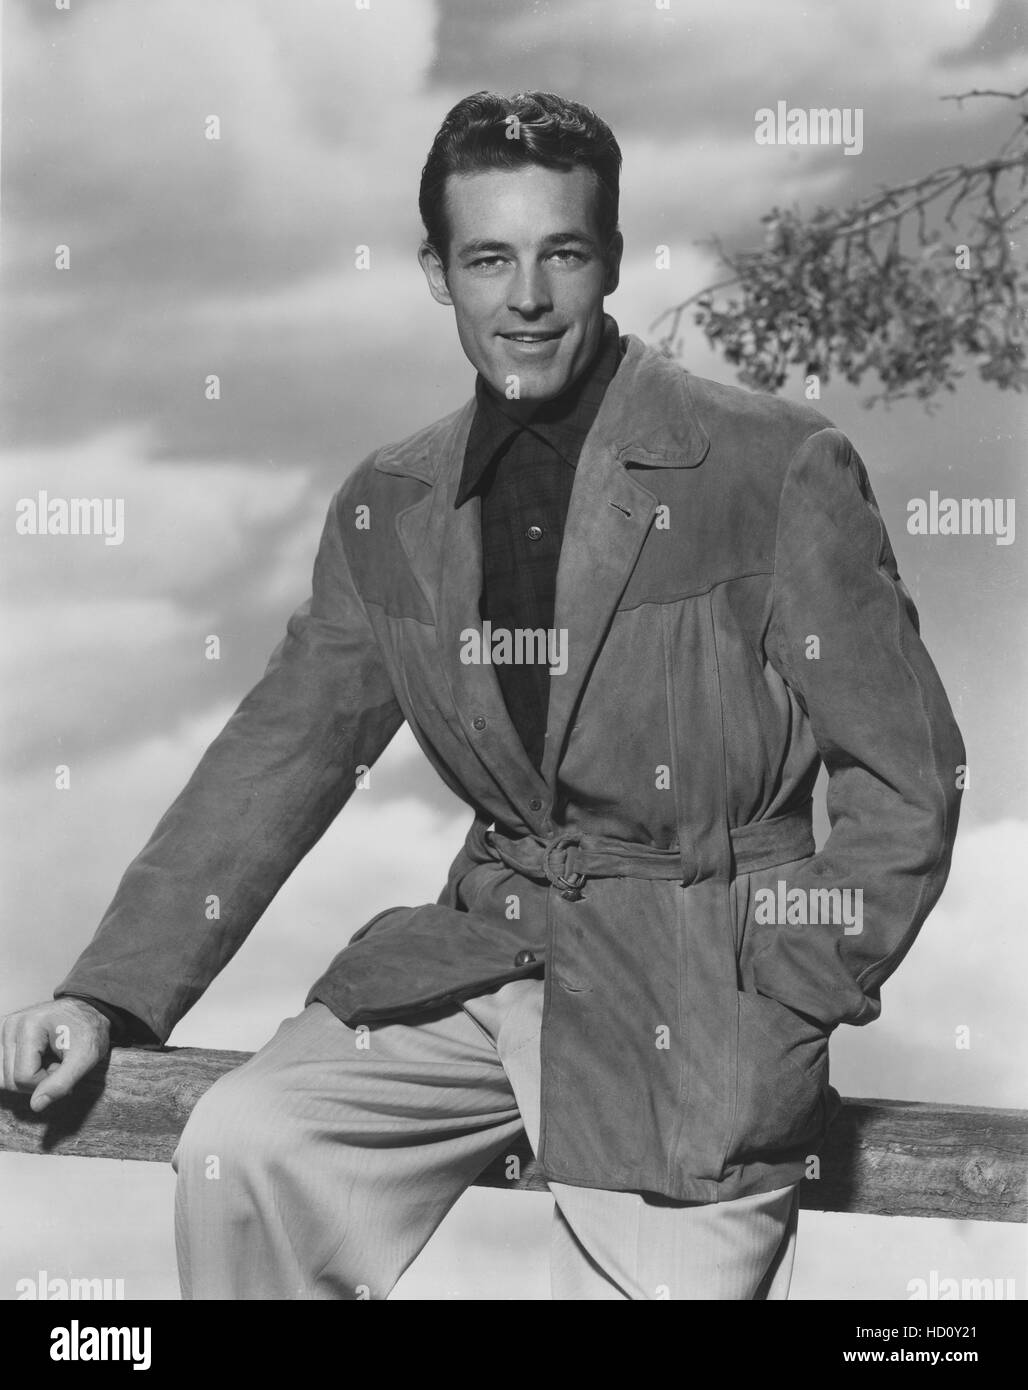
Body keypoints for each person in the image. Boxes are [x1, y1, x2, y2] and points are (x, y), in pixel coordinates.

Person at [0, 90, 964, 1300]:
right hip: (482, 955)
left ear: (608, 258)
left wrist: (786, 988)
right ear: (436, 273)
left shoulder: (771, 465)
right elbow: (277, 755)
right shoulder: (388, 502)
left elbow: (907, 779)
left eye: (560, 252)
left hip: (696, 993)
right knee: (238, 1152)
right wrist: (107, 994)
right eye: (487, 258)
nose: (525, 298)